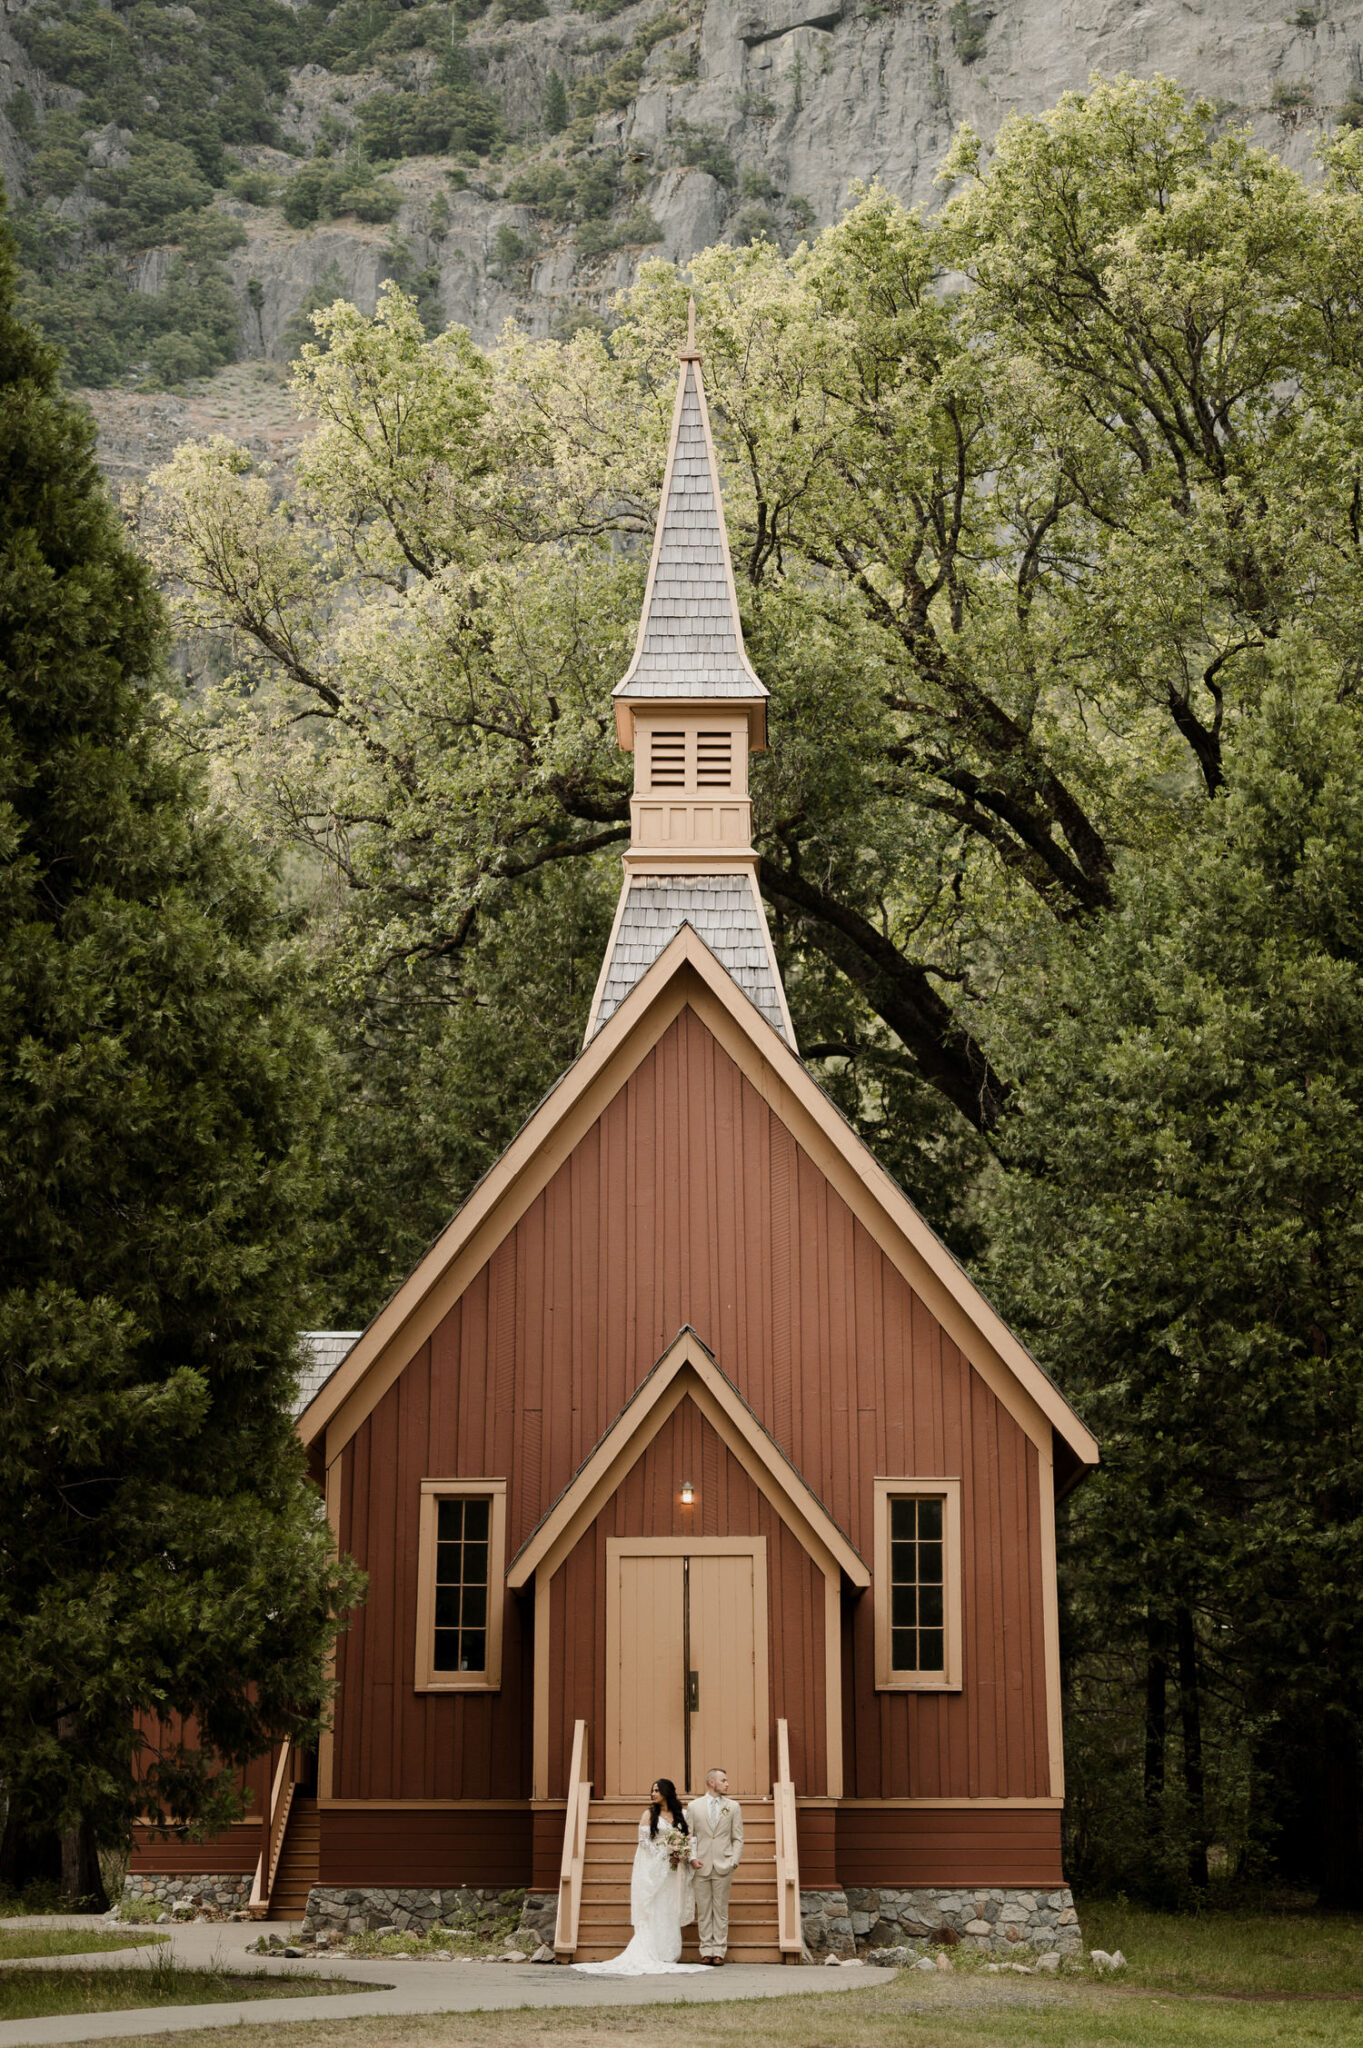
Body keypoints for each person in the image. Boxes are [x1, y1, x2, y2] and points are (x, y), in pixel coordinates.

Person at [572, 1775, 705, 1975]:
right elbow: (644, 1843)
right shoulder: (649, 1814)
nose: (653, 1794)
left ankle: (668, 1953)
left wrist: (688, 1856)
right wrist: (666, 1853)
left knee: (670, 1907)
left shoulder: (682, 1815)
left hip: (674, 1871)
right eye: (652, 1790)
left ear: (666, 1792)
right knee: (654, 1907)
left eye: (657, 1790)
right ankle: (651, 1951)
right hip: (654, 1868)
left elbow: (688, 1839)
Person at [685, 1766, 743, 1964]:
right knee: (704, 1910)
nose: (727, 1784)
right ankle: (706, 1950)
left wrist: (733, 1861)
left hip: (723, 1864)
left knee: (720, 1910)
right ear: (712, 1782)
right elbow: (689, 1836)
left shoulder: (733, 1806)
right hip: (700, 1865)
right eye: (723, 1780)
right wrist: (692, 1858)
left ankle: (719, 1951)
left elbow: (738, 1837)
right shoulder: (694, 1807)